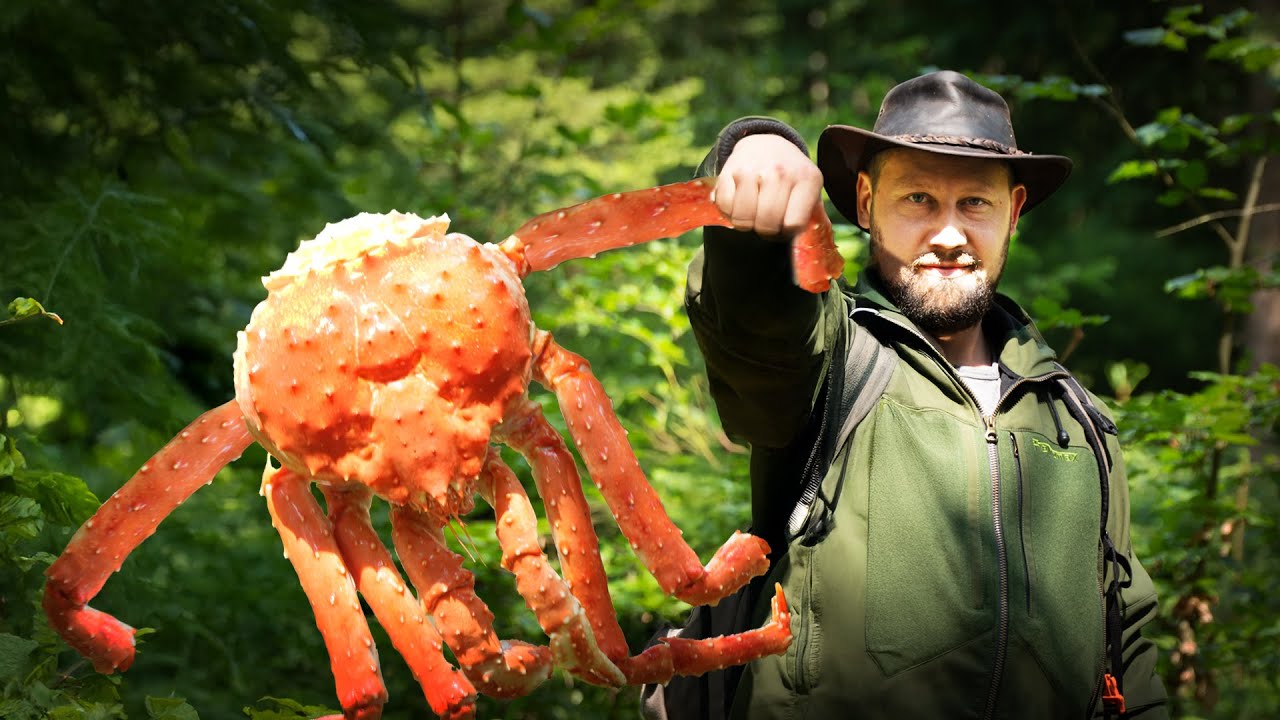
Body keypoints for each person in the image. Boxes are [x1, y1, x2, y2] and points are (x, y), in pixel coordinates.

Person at [681, 71, 1169, 718]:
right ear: (863, 201)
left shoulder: (1079, 423)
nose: (948, 234)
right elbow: (756, 322)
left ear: (1014, 212)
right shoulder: (831, 365)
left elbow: (1127, 638)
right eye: (917, 199)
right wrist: (756, 149)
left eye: (975, 203)